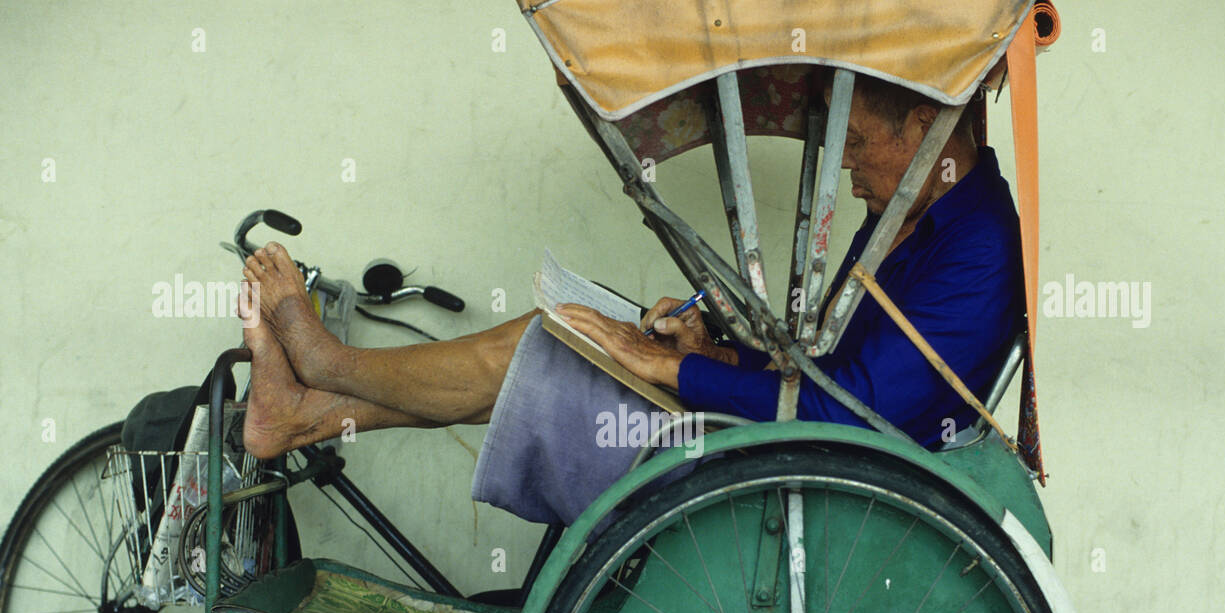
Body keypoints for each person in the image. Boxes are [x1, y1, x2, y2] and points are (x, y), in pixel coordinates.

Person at [237, 74, 1023, 527]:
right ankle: (302, 412)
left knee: (540, 349)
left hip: (819, 480)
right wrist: (709, 354)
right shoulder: (918, 217)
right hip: (792, 439)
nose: (849, 171)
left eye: (859, 146)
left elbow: (852, 413)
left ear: (926, 127)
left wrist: (674, 373)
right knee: (568, 338)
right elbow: (824, 368)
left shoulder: (975, 243)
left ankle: (324, 364)